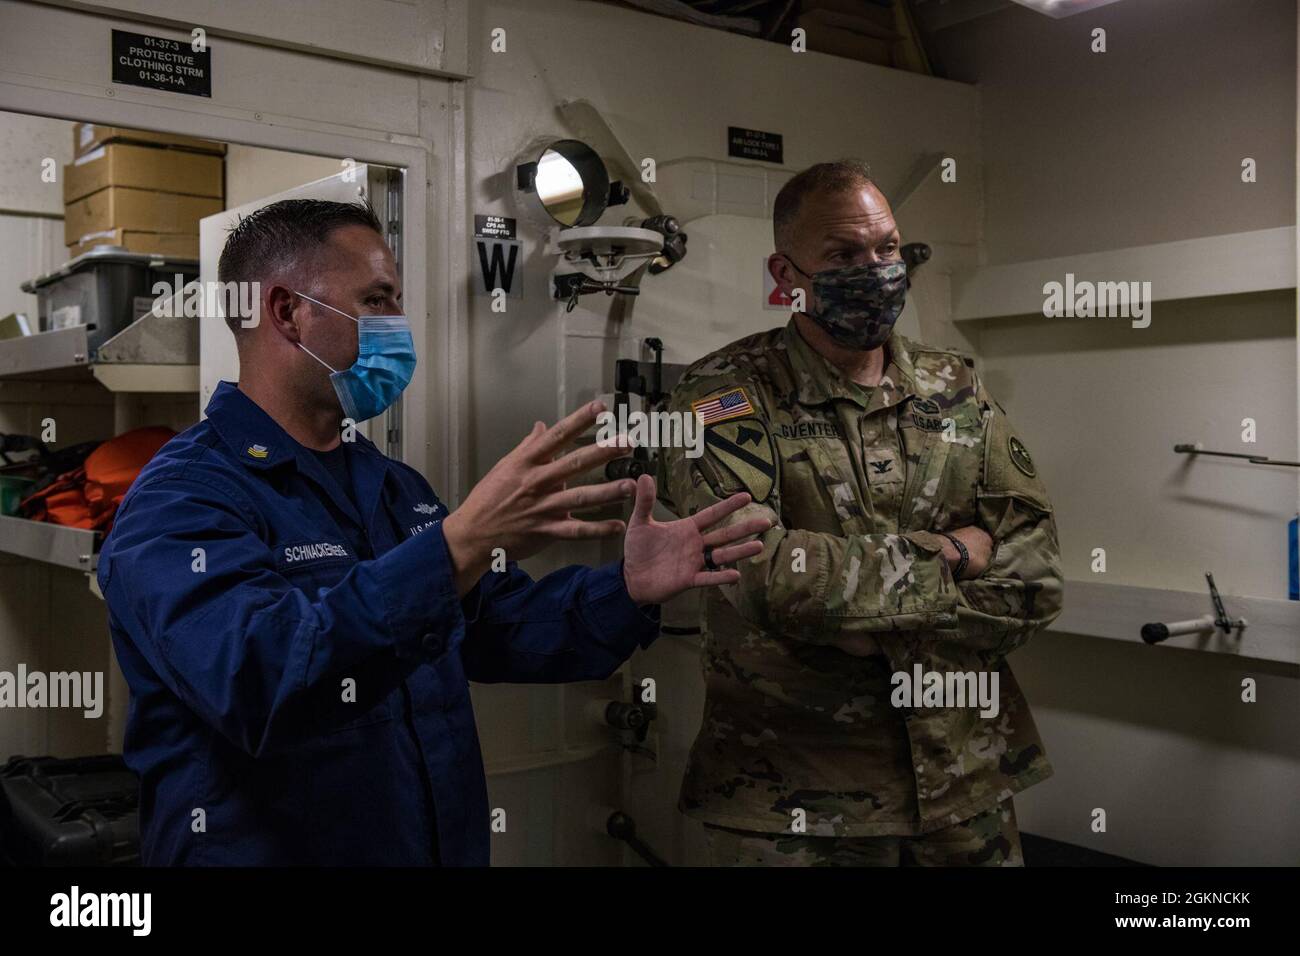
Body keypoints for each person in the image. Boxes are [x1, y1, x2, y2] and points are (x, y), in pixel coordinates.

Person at [99, 198, 767, 866]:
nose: (399, 325)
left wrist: (627, 589)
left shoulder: (392, 487)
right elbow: (260, 684)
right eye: (378, 300)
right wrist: (458, 546)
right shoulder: (182, 498)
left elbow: (501, 628)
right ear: (286, 312)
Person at [657, 161, 1063, 866]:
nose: (875, 270)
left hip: (966, 784)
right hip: (796, 802)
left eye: (887, 250)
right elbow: (767, 578)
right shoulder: (722, 397)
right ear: (787, 273)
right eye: (844, 255)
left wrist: (860, 619)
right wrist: (960, 556)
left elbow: (1037, 572)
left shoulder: (955, 386)